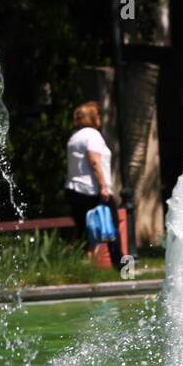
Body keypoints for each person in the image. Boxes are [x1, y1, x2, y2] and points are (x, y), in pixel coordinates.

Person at [65, 101, 120, 266]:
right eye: (98, 115)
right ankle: (126, 270)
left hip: (74, 190)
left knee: (83, 233)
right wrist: (103, 186)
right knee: (114, 230)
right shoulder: (92, 135)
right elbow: (94, 161)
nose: (100, 118)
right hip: (92, 190)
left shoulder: (75, 137)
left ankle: (80, 267)